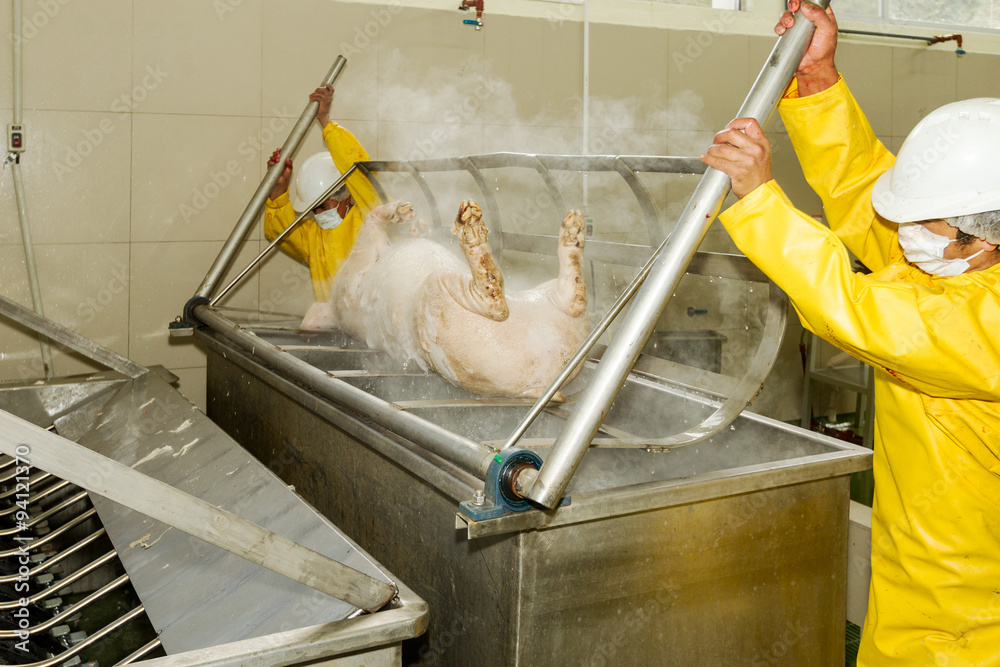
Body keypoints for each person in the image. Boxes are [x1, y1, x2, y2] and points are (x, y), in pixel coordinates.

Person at [701, 2, 1000, 664]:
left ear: (985, 240)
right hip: (915, 586)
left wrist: (760, 203)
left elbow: (854, 306)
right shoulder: (952, 261)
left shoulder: (986, 325)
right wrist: (818, 81)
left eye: (927, 225)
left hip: (975, 623)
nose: (904, 234)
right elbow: (868, 188)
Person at [265, 84, 380, 302]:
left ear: (346, 197)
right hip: (336, 330)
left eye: (324, 206)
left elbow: (358, 168)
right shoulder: (314, 237)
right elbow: (279, 229)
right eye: (314, 210)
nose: (319, 215)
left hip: (377, 328)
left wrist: (326, 121)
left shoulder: (372, 217)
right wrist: (278, 187)